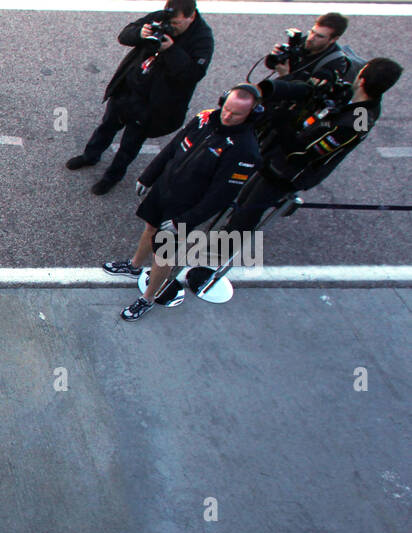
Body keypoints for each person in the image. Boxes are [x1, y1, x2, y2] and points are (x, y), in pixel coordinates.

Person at [104, 86, 261, 321]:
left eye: (236, 114)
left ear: (251, 113)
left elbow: (221, 195)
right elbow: (173, 147)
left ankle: (148, 298)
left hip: (185, 208)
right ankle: (134, 265)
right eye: (226, 109)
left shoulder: (245, 150)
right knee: (150, 228)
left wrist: (184, 221)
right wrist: (148, 176)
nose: (227, 116)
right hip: (164, 189)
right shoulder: (204, 118)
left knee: (163, 256)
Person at [226, 58, 402, 232]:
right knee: (243, 198)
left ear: (362, 80)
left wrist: (284, 124)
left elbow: (302, 156)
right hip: (277, 155)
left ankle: (224, 247)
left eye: (362, 71)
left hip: (289, 172)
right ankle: (229, 229)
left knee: (249, 209)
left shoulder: (355, 123)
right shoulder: (352, 96)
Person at [67, 0, 214, 195]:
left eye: (177, 24)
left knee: (130, 144)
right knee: (107, 126)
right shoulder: (162, 18)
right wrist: (140, 33)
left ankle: (112, 177)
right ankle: (90, 156)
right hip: (128, 89)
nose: (171, 27)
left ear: (191, 16)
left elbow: (193, 75)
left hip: (153, 105)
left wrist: (170, 50)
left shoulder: (202, 39)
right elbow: (125, 35)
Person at [263, 12, 353, 83]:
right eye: (312, 32)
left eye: (320, 36)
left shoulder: (333, 63)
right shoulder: (304, 41)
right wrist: (278, 56)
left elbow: (308, 95)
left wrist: (285, 75)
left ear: (333, 39)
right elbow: (272, 64)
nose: (310, 38)